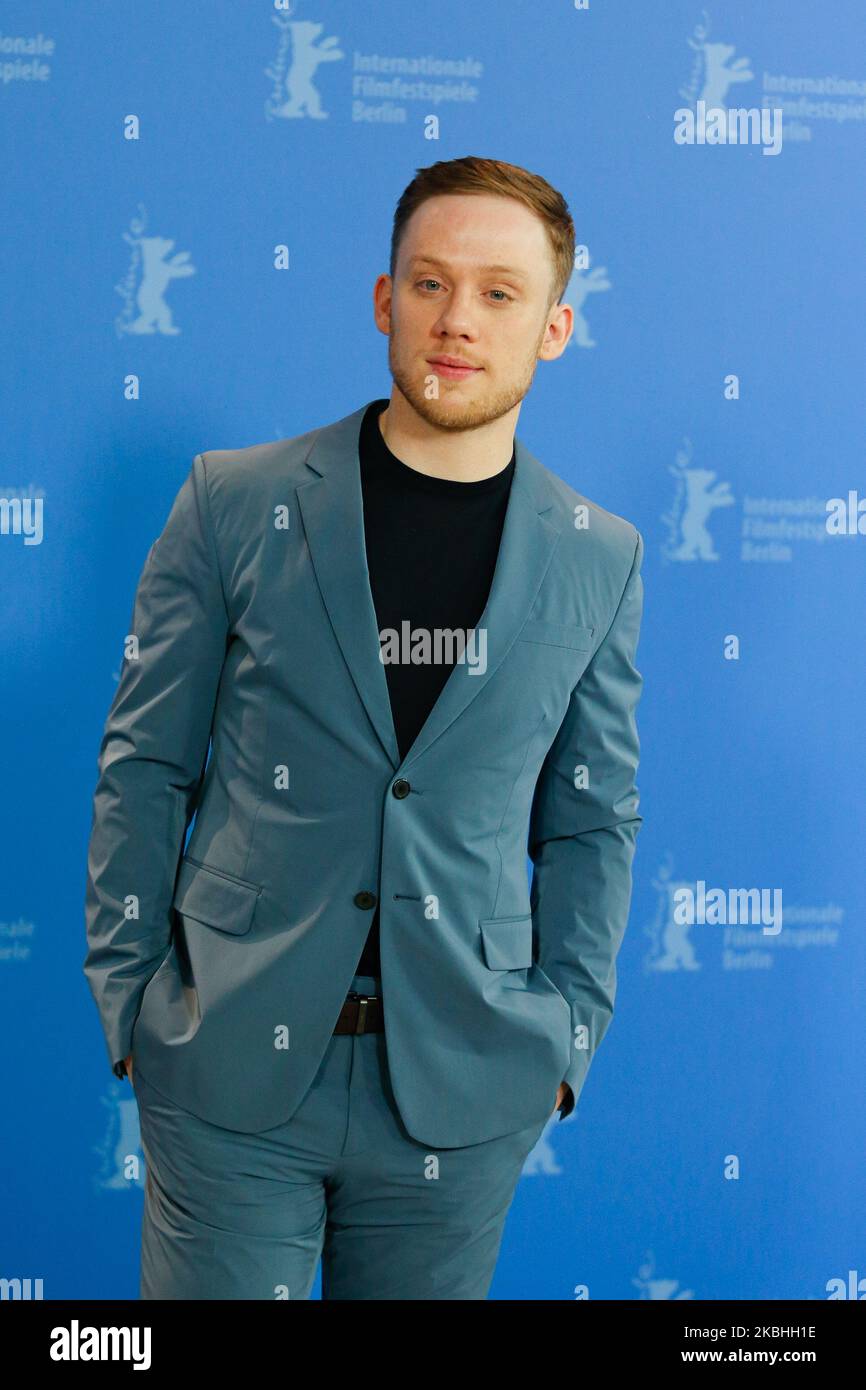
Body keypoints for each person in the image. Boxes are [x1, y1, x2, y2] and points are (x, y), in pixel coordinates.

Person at [83, 155, 645, 1300]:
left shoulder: (599, 554)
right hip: (232, 1064)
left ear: (554, 327)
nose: (457, 320)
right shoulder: (234, 501)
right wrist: (135, 1006)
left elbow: (591, 820)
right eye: (429, 283)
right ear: (385, 301)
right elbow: (144, 765)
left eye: (499, 293)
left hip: (465, 1080)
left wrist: (564, 1036)